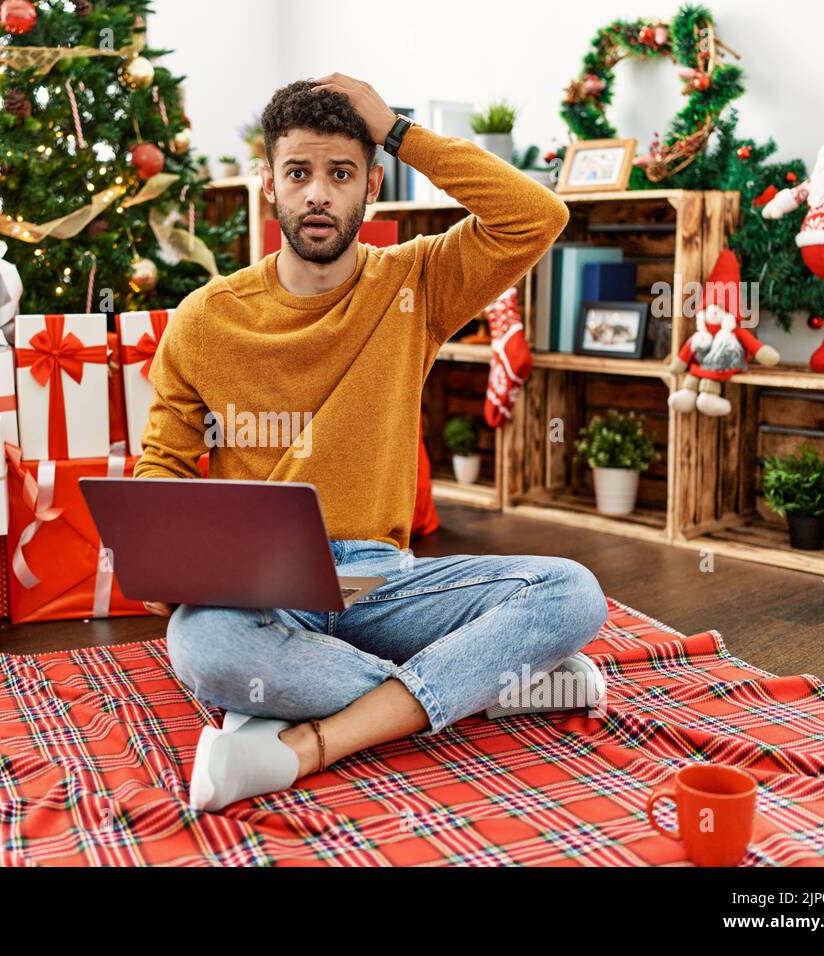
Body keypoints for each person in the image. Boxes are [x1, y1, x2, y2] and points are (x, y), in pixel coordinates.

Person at [131, 74, 609, 811]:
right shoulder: (205, 318)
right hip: (260, 590)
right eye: (298, 173)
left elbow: (536, 215)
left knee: (570, 592)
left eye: (340, 173)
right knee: (208, 648)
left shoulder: (417, 282)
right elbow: (162, 462)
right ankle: (487, 682)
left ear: (373, 185)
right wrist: (164, 558)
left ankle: (318, 738)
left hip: (381, 583)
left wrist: (396, 128)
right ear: (269, 184)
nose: (318, 194)